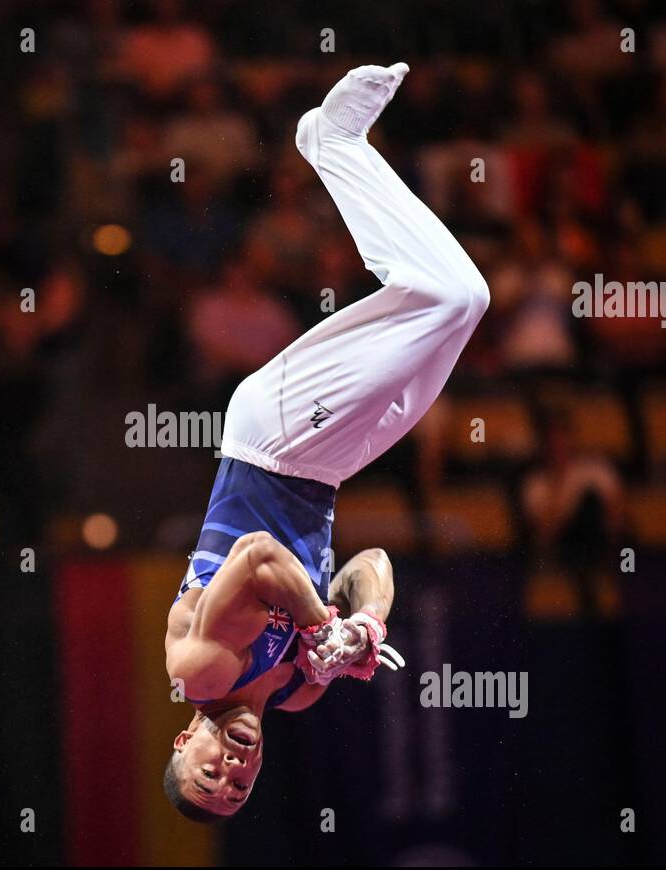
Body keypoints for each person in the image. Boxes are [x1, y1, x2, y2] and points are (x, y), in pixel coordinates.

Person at [163, 63, 490, 820]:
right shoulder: (298, 691)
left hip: (271, 440)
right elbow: (372, 565)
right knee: (462, 298)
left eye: (210, 774)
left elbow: (258, 558)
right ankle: (337, 144)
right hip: (325, 465)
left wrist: (323, 629)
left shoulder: (204, 670)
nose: (231, 772)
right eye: (238, 790)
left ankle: (333, 140)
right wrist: (365, 625)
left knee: (447, 296)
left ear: (185, 742)